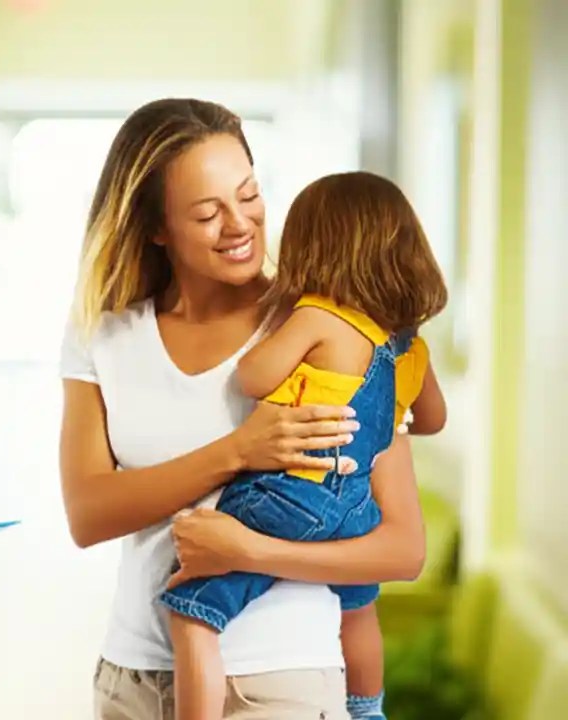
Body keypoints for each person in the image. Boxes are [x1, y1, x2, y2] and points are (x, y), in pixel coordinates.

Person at [59, 98, 428, 720]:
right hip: (130, 679)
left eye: (249, 195)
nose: (239, 225)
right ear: (155, 227)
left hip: (280, 680)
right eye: (208, 213)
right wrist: (237, 451)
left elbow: (401, 548)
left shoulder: (328, 325)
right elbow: (88, 514)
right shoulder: (104, 333)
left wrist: (249, 552)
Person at [156, 170, 449, 720]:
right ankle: (367, 709)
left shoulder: (318, 316)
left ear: (313, 248)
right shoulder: (410, 348)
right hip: (356, 505)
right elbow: (431, 419)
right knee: (357, 611)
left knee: (192, 612)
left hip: (293, 494)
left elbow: (252, 376)